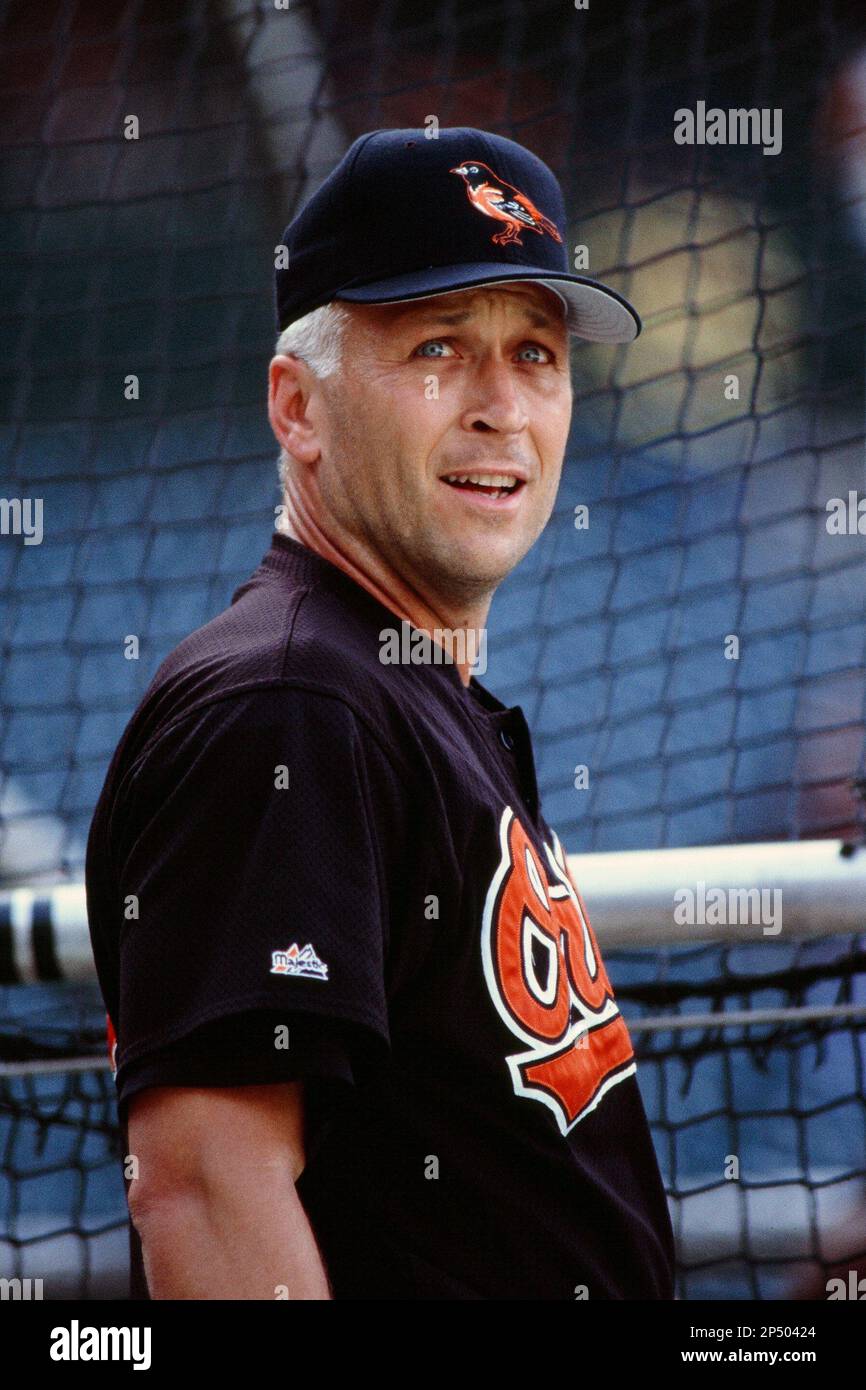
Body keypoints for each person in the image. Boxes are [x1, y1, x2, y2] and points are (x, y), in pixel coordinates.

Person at [85, 125, 675, 1300]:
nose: (502, 408)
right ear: (297, 409)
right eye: (438, 348)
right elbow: (205, 1190)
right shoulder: (291, 705)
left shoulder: (391, 687)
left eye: (537, 354)